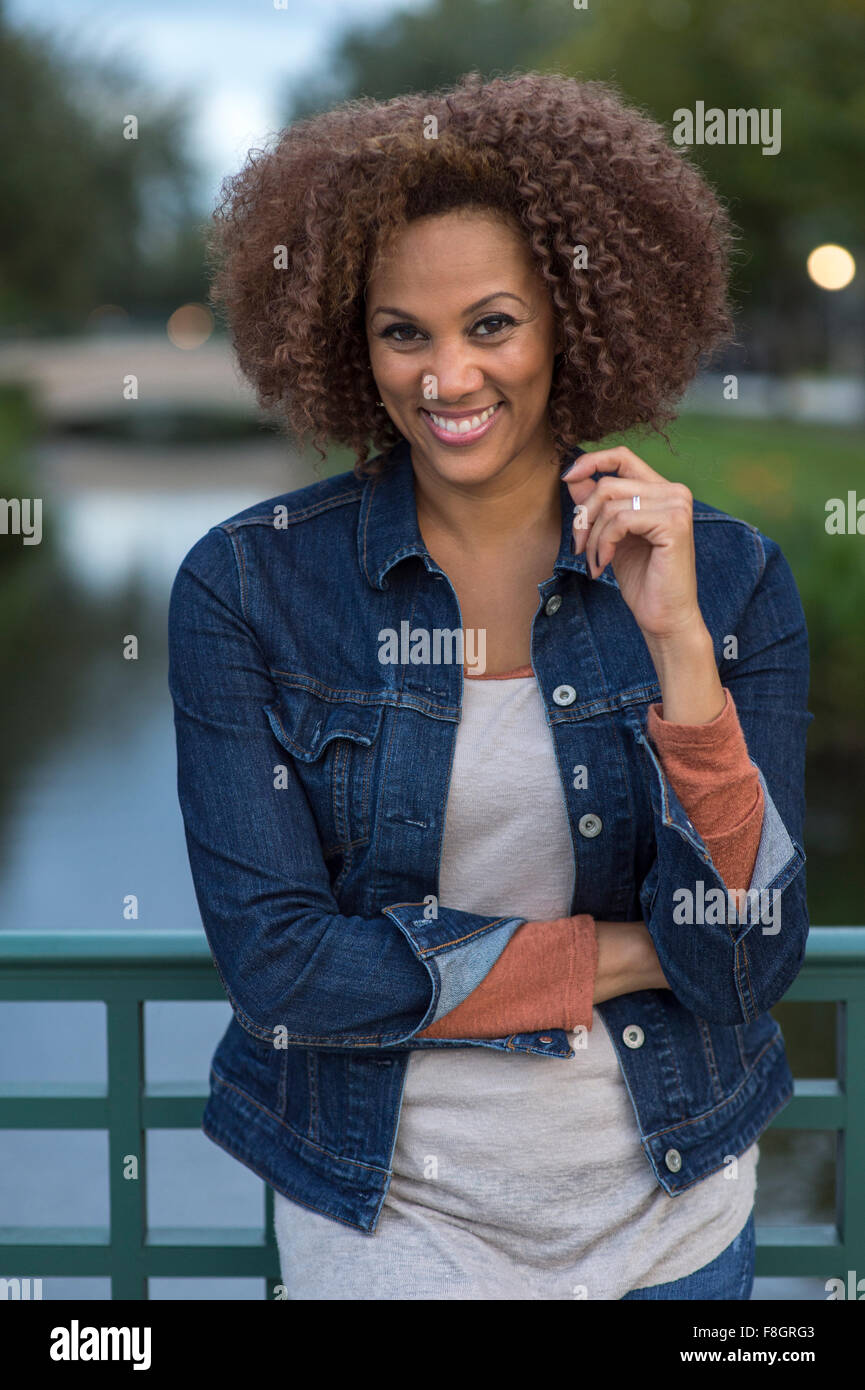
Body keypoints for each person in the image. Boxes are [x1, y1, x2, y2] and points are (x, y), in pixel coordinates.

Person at [168, 71, 811, 1300]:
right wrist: (621, 951)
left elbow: (739, 964)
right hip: (388, 1221)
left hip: (670, 1225)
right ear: (350, 344)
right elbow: (285, 970)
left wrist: (677, 647)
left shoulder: (725, 579)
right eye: (402, 331)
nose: (446, 378)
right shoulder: (246, 587)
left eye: (492, 324)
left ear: (573, 316)